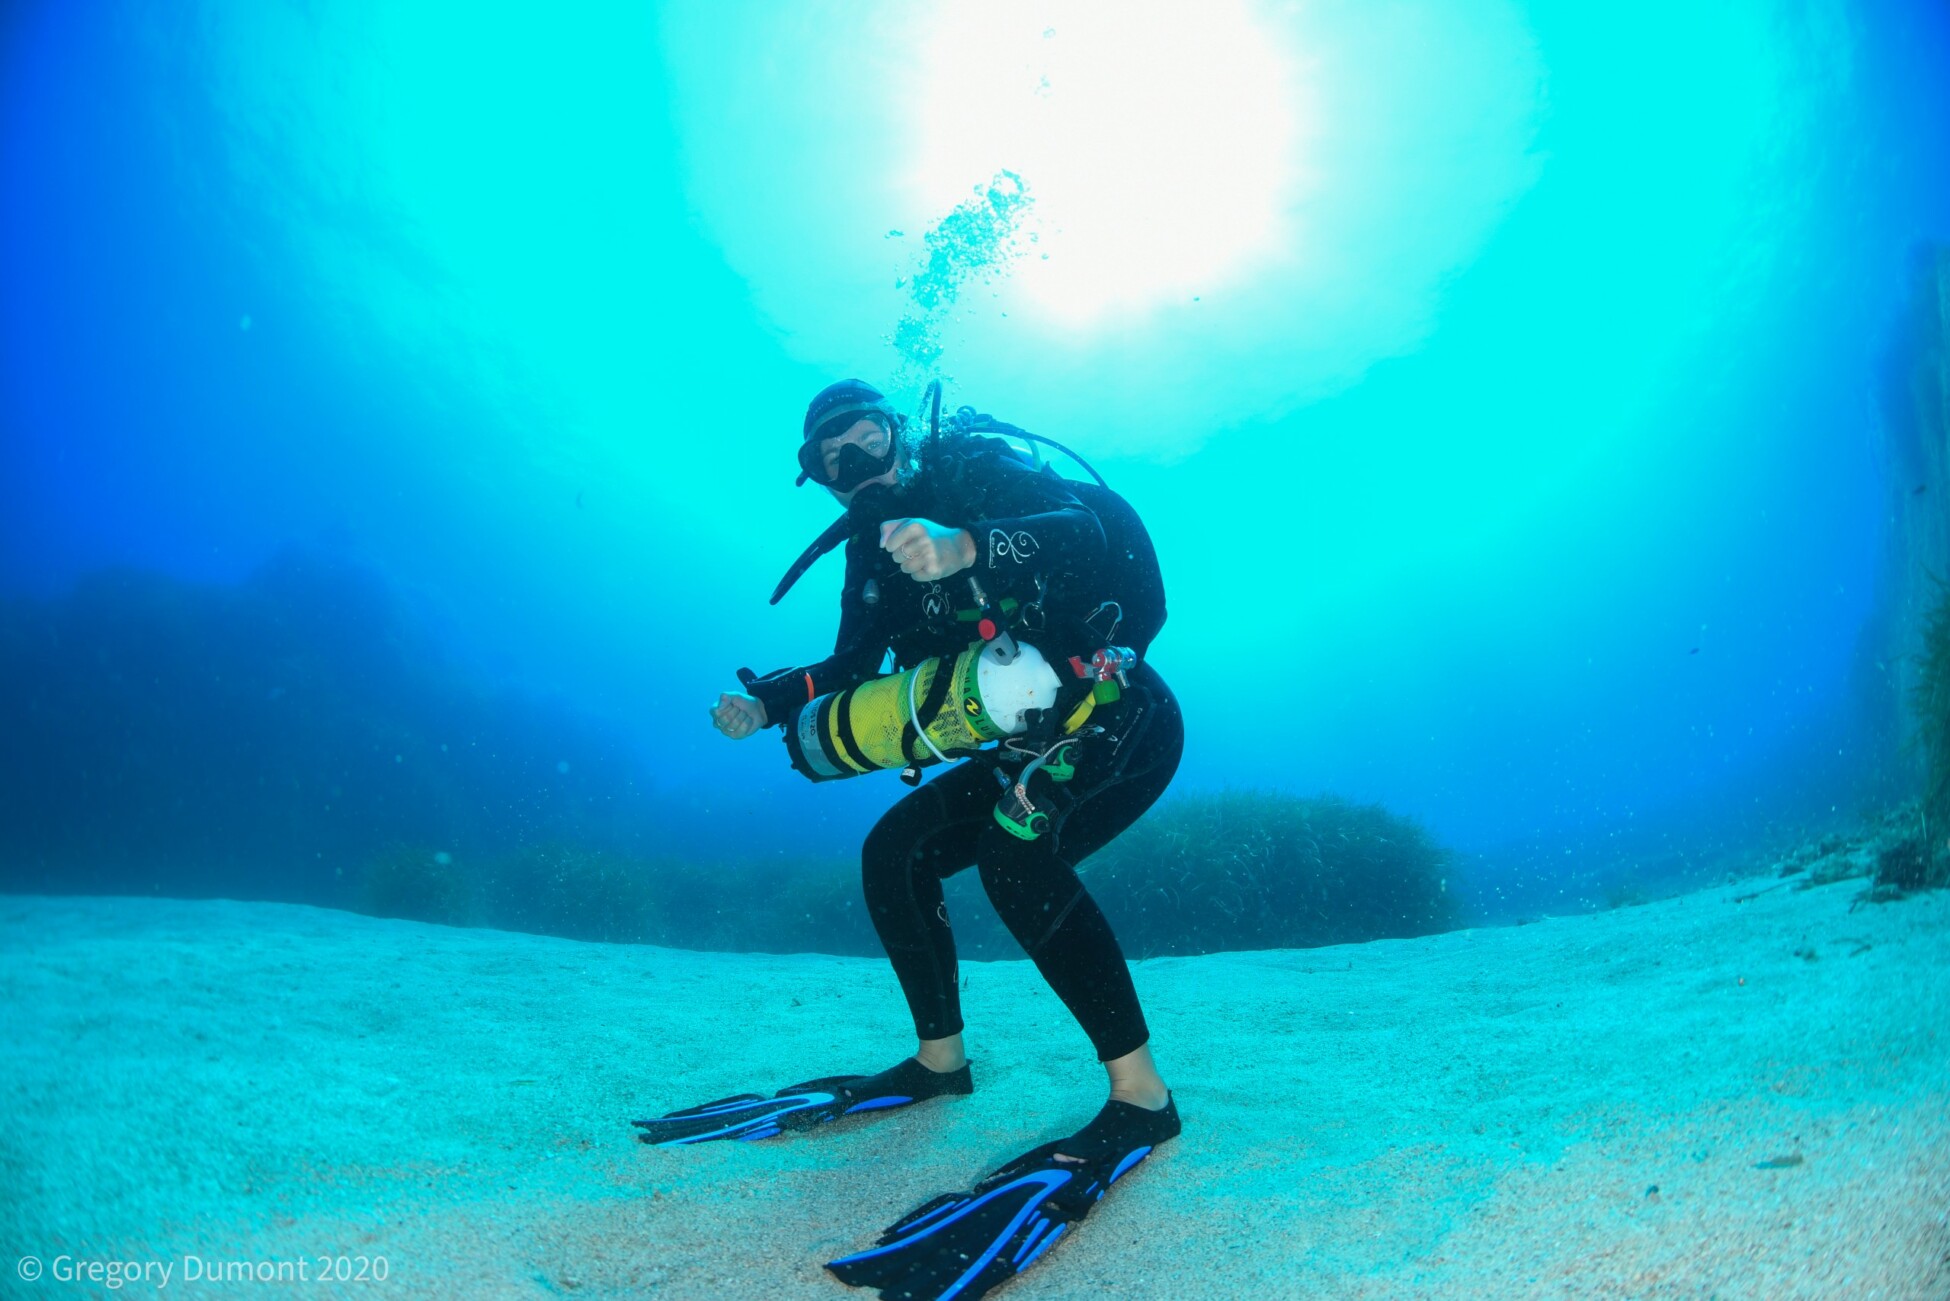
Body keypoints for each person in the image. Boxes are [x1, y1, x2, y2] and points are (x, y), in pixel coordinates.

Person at [637, 378, 1183, 1298]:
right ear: (818, 476)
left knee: (1016, 858)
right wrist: (768, 703)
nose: (857, 469)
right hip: (1017, 735)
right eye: (832, 460)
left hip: (1117, 717)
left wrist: (965, 543)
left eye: (869, 442)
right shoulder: (871, 556)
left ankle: (1143, 1099)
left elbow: (1082, 533)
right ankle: (940, 1066)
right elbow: (850, 667)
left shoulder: (974, 475)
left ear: (902, 436)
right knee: (893, 850)